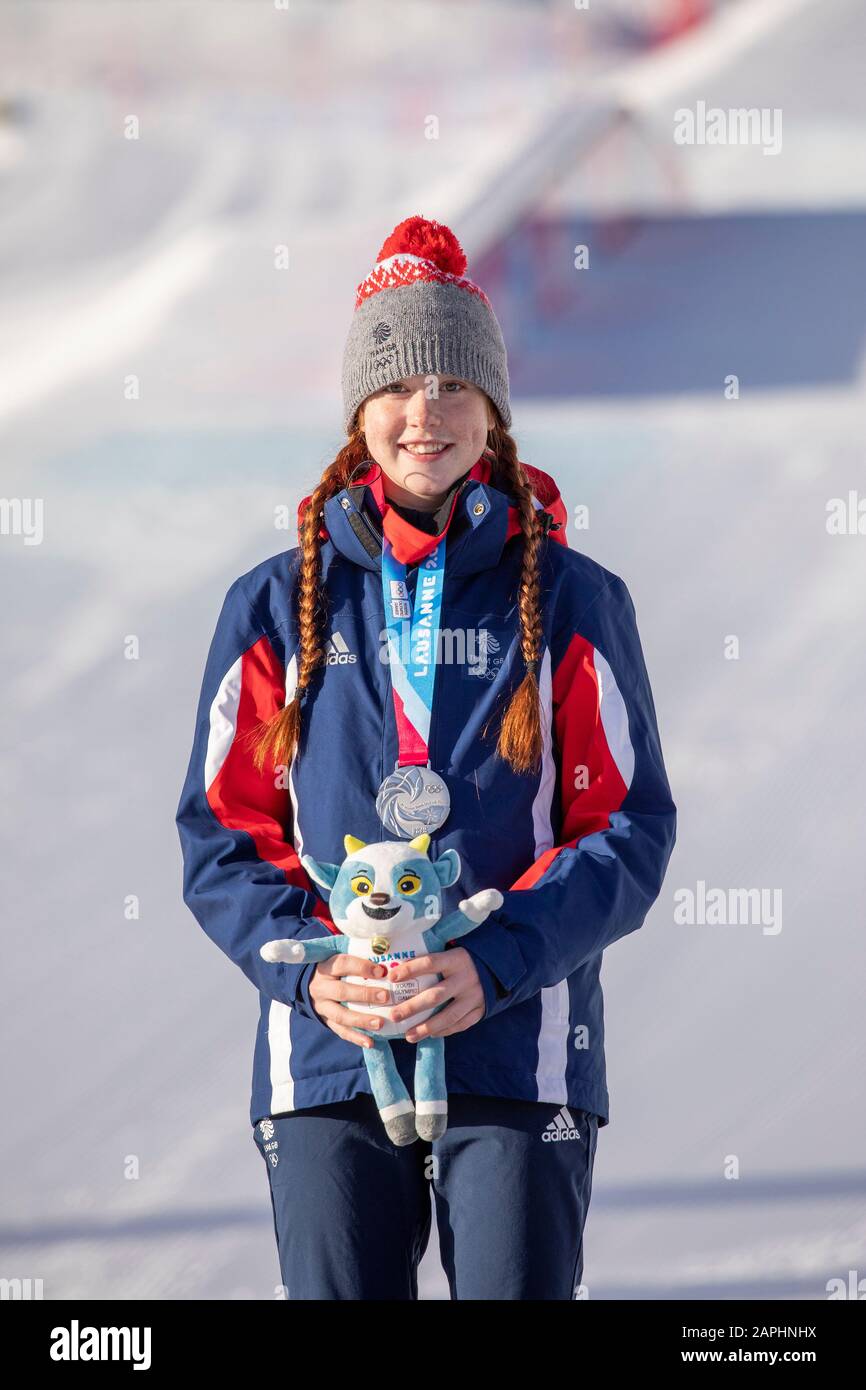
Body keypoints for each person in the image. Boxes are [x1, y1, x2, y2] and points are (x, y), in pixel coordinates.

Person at [175, 214, 677, 1300]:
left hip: (515, 1043)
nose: (425, 412)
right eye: (399, 384)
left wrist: (493, 962)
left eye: (455, 384)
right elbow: (223, 834)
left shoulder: (577, 600)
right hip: (326, 1055)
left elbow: (627, 828)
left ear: (491, 412)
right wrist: (319, 976)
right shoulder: (272, 607)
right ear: (358, 413)